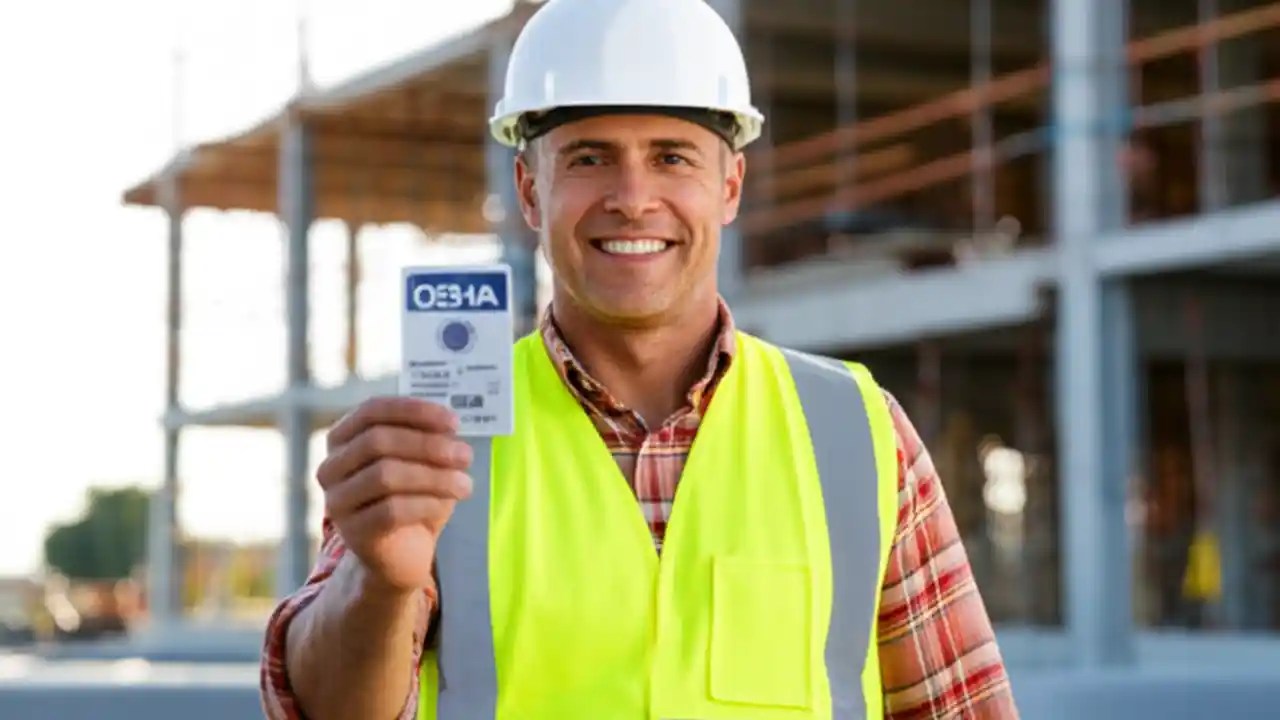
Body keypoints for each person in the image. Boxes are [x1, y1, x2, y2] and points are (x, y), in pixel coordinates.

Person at [259, 0, 1018, 717]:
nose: (632, 196)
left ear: (729, 184)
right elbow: (321, 707)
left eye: (671, 158)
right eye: (589, 158)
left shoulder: (857, 434)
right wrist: (380, 584)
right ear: (530, 190)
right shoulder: (433, 438)